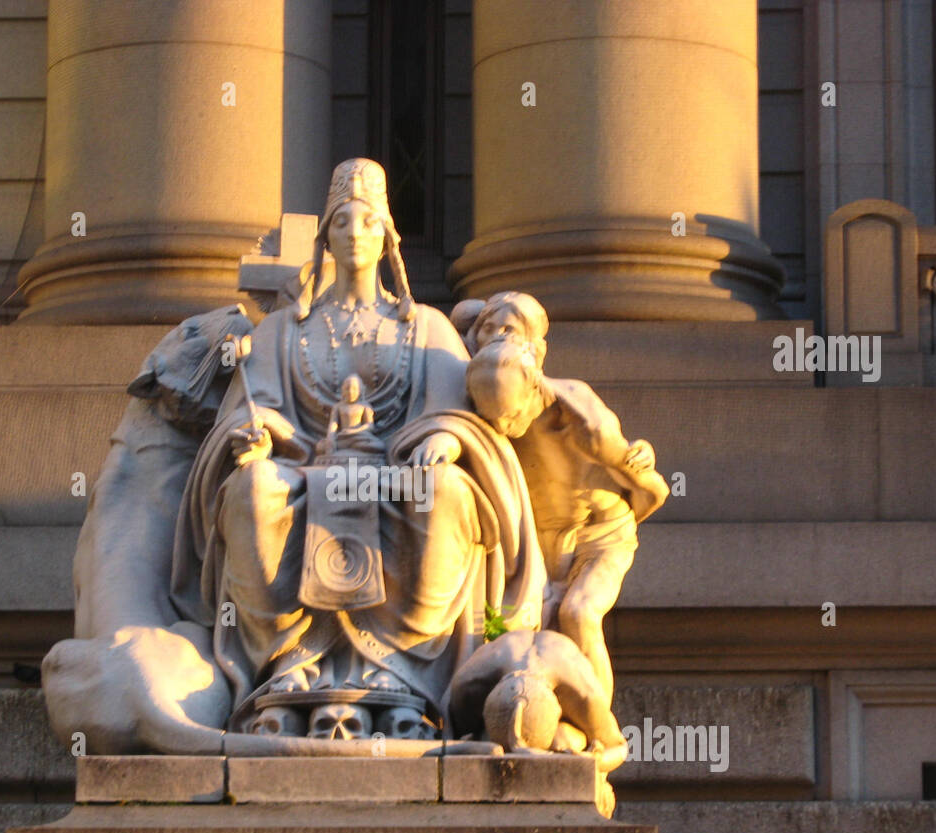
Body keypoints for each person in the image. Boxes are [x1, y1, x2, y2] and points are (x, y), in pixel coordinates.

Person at [171, 159, 547, 734]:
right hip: (303, 475)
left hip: (398, 480)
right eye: (342, 222)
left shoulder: (426, 328)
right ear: (325, 237)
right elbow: (249, 411)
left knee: (446, 491)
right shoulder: (283, 330)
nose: (354, 233)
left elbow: (462, 418)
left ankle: (403, 671)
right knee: (252, 488)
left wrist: (447, 437)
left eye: (368, 221)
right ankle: (285, 666)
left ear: (388, 237)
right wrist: (254, 436)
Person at [465, 309, 668, 721]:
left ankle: (600, 732)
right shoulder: (487, 392)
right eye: (493, 416)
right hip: (534, 540)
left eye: (510, 414)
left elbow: (653, 493)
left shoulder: (584, 422)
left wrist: (639, 463)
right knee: (520, 629)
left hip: (598, 537)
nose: (503, 425)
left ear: (533, 381)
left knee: (578, 613)